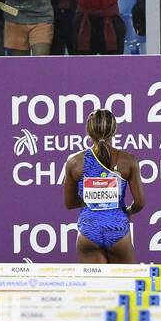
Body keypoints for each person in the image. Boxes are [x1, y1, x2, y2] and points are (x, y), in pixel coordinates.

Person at [61, 108, 145, 265]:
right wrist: (128, 211)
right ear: (114, 131)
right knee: (125, 287)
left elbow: (69, 203)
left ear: (88, 131)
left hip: (89, 231)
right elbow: (140, 202)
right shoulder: (128, 161)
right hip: (118, 230)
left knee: (96, 289)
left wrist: (92, 199)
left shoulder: (74, 162)